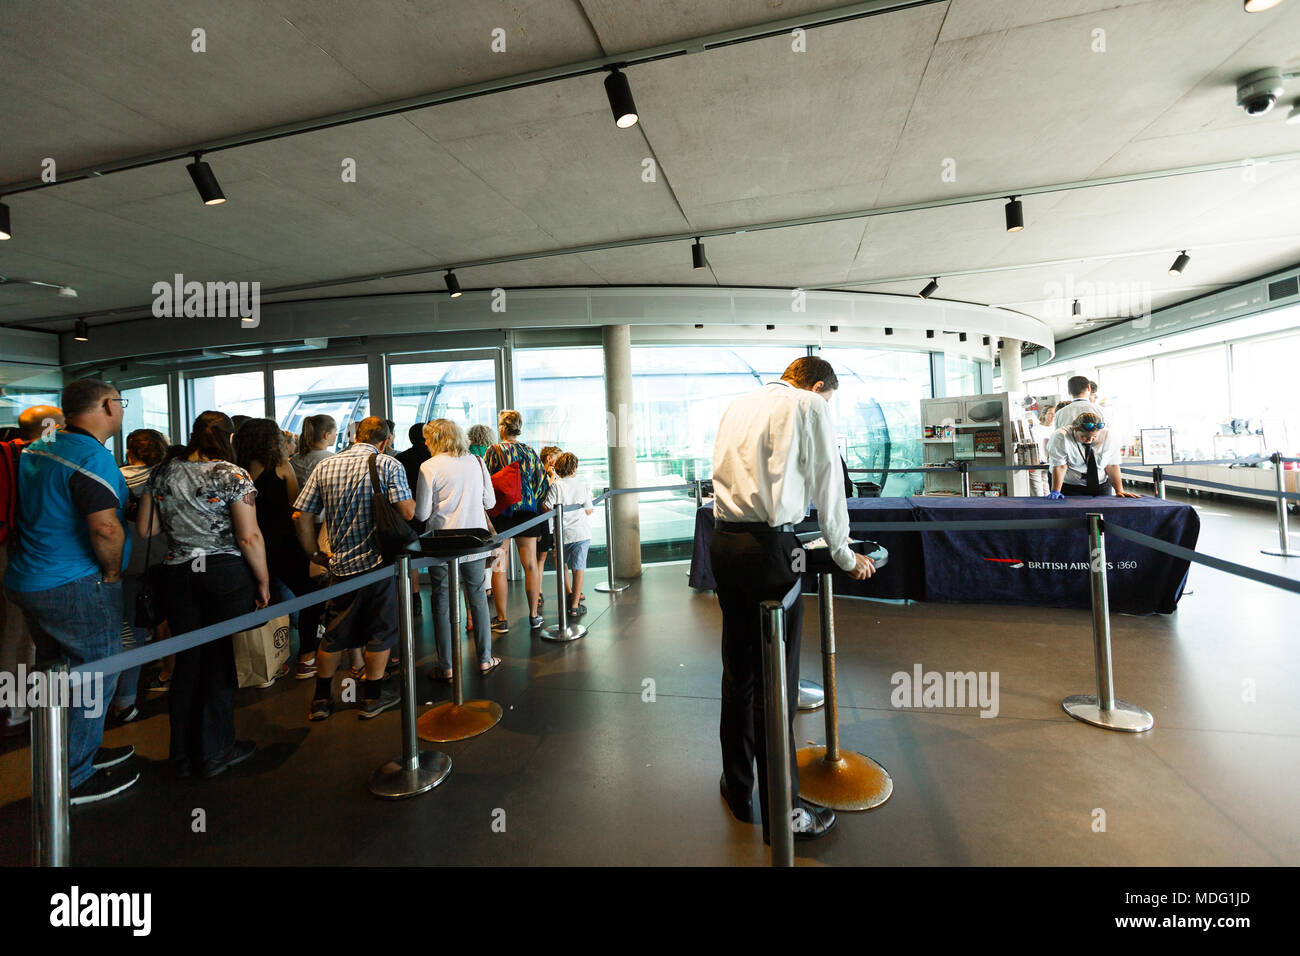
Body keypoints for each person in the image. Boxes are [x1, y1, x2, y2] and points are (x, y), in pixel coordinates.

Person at [711, 356, 874, 844]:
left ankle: (737, 788)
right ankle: (784, 813)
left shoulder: (737, 404)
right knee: (776, 684)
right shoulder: (809, 406)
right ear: (818, 386)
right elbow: (829, 484)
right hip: (773, 551)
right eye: (829, 397)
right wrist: (844, 554)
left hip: (723, 543)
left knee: (737, 672)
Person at [3, 381, 139, 804]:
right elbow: (104, 526)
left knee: (58, 672)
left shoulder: (40, 447)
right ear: (105, 405)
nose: (122, 408)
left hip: (29, 579)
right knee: (98, 672)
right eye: (120, 401)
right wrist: (113, 573)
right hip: (73, 583)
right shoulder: (88, 456)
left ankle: (68, 756)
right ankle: (73, 777)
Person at [139, 411, 271, 778]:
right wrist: (262, 580)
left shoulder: (162, 472)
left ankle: (181, 754)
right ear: (229, 438)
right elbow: (249, 536)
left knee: (187, 663)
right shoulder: (232, 474)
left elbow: (147, 529)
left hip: (178, 573)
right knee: (219, 662)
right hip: (222, 574)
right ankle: (215, 750)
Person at [292, 417, 413, 721]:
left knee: (333, 634)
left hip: (341, 565)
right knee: (382, 632)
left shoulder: (326, 466)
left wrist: (314, 553)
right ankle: (372, 697)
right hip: (379, 564)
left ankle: (321, 699)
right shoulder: (387, 465)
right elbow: (408, 511)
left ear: (356, 435)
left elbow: (300, 514)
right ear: (385, 440)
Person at [233, 418, 325, 681]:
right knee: (309, 596)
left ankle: (262, 666)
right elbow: (296, 509)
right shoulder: (281, 466)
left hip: (248, 545)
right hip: (284, 544)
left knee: (261, 601)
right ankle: (306, 657)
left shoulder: (236, 470)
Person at [414, 419, 500, 679]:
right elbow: (490, 501)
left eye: (428, 438)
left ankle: (447, 665)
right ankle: (485, 659)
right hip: (473, 539)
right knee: (477, 597)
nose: (426, 443)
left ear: (437, 439)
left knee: (441, 600)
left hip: (441, 543)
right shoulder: (476, 461)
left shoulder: (429, 466)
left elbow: (422, 514)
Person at [0, 404, 64, 737]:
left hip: (6, 544)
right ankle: (14, 705)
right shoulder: (42, 459)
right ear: (50, 428)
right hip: (22, 550)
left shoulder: (7, 454)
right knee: (20, 632)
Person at [112, 428, 169, 723]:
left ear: (130, 452)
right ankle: (167, 674)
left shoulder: (113, 477)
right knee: (172, 622)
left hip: (126, 563)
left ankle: (124, 700)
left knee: (128, 632)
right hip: (168, 560)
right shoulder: (170, 476)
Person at [484, 411, 550, 631]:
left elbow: (485, 481)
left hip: (502, 513)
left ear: (502, 427)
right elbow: (542, 484)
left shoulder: (493, 451)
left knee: (499, 566)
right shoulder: (529, 451)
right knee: (530, 564)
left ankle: (502, 620)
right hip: (527, 513)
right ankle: (533, 615)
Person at [542, 452, 593, 618]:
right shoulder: (582, 485)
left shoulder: (556, 485)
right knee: (579, 568)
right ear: (574, 468)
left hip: (562, 533)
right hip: (581, 533)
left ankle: (568, 592)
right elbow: (588, 510)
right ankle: (574, 605)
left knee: (561, 565)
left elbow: (547, 507)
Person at [1046, 411, 1140, 498]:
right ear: (1075, 429)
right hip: (1070, 486)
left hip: (1101, 485)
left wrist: (1119, 490)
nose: (1089, 440)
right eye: (1084, 437)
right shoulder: (1061, 437)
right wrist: (1056, 491)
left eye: (1094, 436)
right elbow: (1060, 466)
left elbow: (1111, 465)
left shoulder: (1108, 436)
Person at [395, 423, 431, 616]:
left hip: (409, 513)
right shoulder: (435, 458)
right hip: (433, 513)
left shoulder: (400, 459)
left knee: (412, 558)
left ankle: (415, 600)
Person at [290, 414, 337, 487]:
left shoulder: (293, 460)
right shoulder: (333, 460)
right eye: (335, 432)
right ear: (326, 435)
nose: (336, 435)